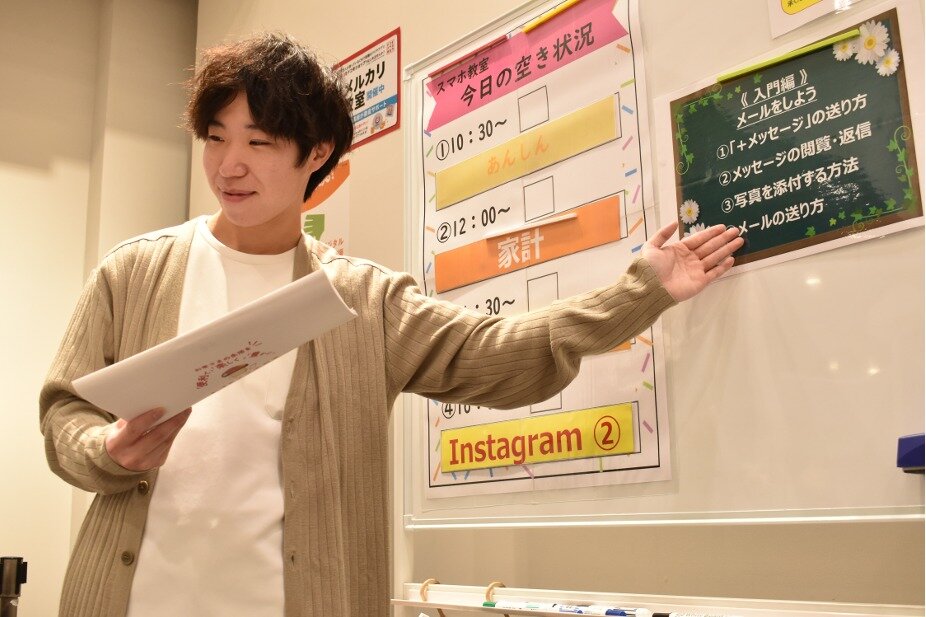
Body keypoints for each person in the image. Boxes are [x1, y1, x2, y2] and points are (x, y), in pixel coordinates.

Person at [39, 32, 743, 617]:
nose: (229, 165)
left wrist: (639, 292)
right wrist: (108, 449)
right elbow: (64, 411)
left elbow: (495, 352)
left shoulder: (363, 299)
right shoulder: (134, 272)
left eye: (258, 141)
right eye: (216, 138)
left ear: (317, 153)